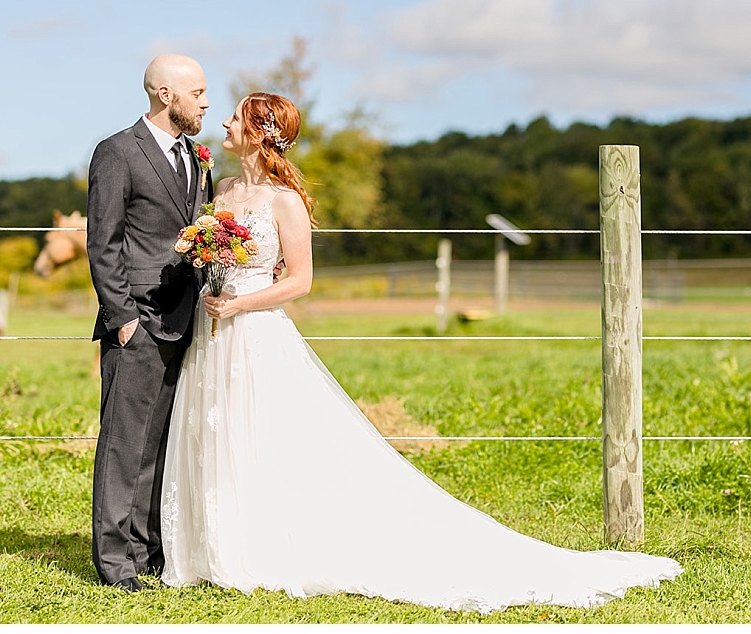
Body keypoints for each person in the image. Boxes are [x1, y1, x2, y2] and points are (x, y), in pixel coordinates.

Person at [159, 93, 682, 612]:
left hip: (254, 333)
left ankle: (273, 545)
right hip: (214, 333)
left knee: (267, 434)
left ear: (257, 131)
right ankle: (221, 548)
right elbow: (218, 254)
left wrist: (242, 303)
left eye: (234, 116)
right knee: (217, 428)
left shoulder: (284, 201)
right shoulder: (222, 188)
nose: (223, 121)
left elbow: (301, 281)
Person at [87, 53, 212, 592]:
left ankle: (146, 552)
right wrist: (122, 319)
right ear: (166, 94)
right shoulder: (117, 152)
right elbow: (103, 241)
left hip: (186, 319)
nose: (207, 102)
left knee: (159, 442)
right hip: (137, 321)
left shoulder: (197, 159)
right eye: (199, 93)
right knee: (123, 443)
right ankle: (114, 563)